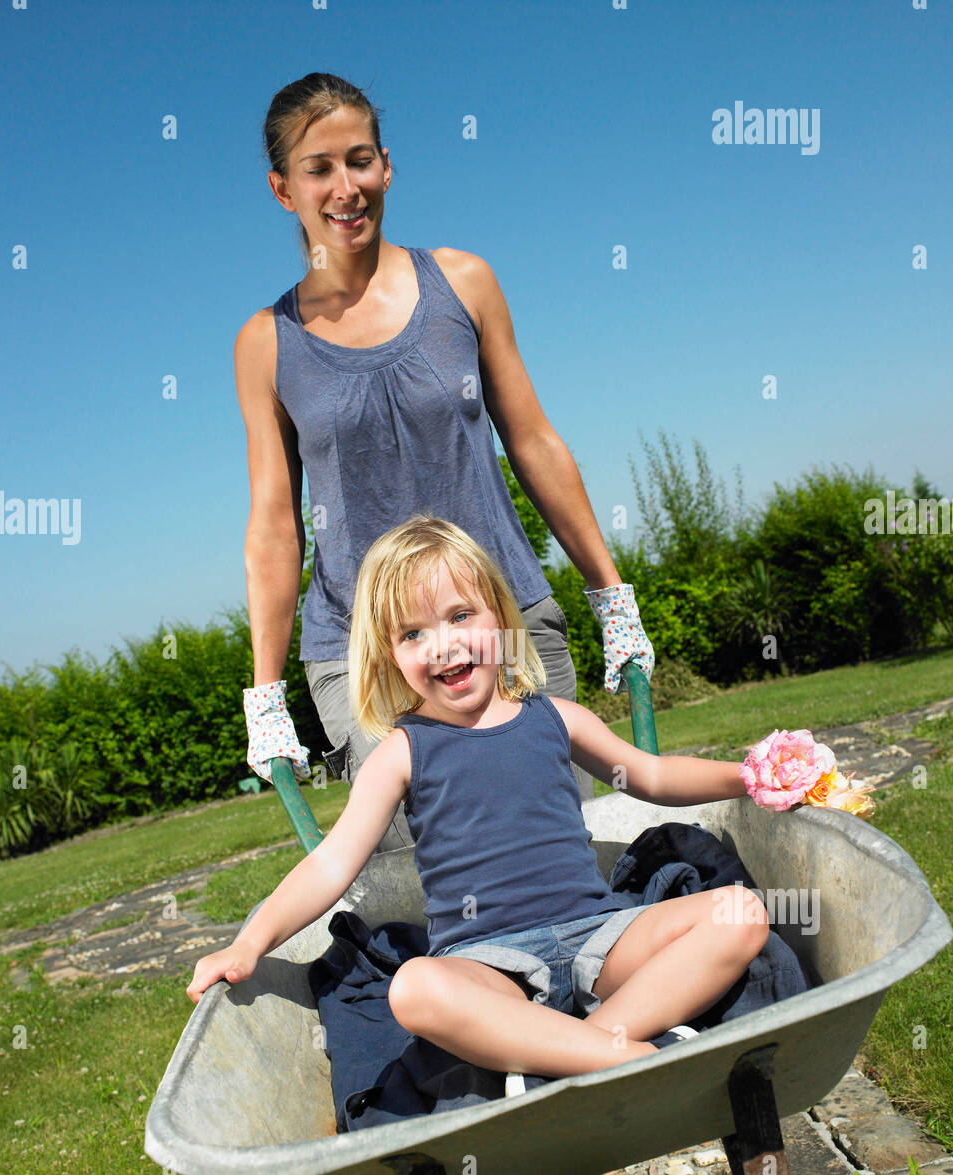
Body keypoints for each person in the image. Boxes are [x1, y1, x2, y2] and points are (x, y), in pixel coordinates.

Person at [190, 517, 772, 1078]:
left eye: (460, 615)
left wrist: (748, 775)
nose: (442, 645)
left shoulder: (556, 719)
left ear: (498, 614)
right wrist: (250, 943)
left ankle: (589, 1052)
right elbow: (333, 862)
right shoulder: (402, 751)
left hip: (602, 940)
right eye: (413, 633)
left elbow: (651, 775)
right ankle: (626, 1058)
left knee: (739, 913)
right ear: (389, 653)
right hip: (492, 966)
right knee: (415, 989)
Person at [237, 72, 654, 850]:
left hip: (500, 618)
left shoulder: (461, 283)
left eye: (359, 160)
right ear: (281, 189)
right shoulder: (266, 342)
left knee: (575, 855)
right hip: (366, 654)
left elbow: (532, 440)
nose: (345, 187)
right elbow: (273, 523)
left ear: (386, 166)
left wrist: (610, 593)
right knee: (428, 893)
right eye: (317, 168)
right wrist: (265, 693)